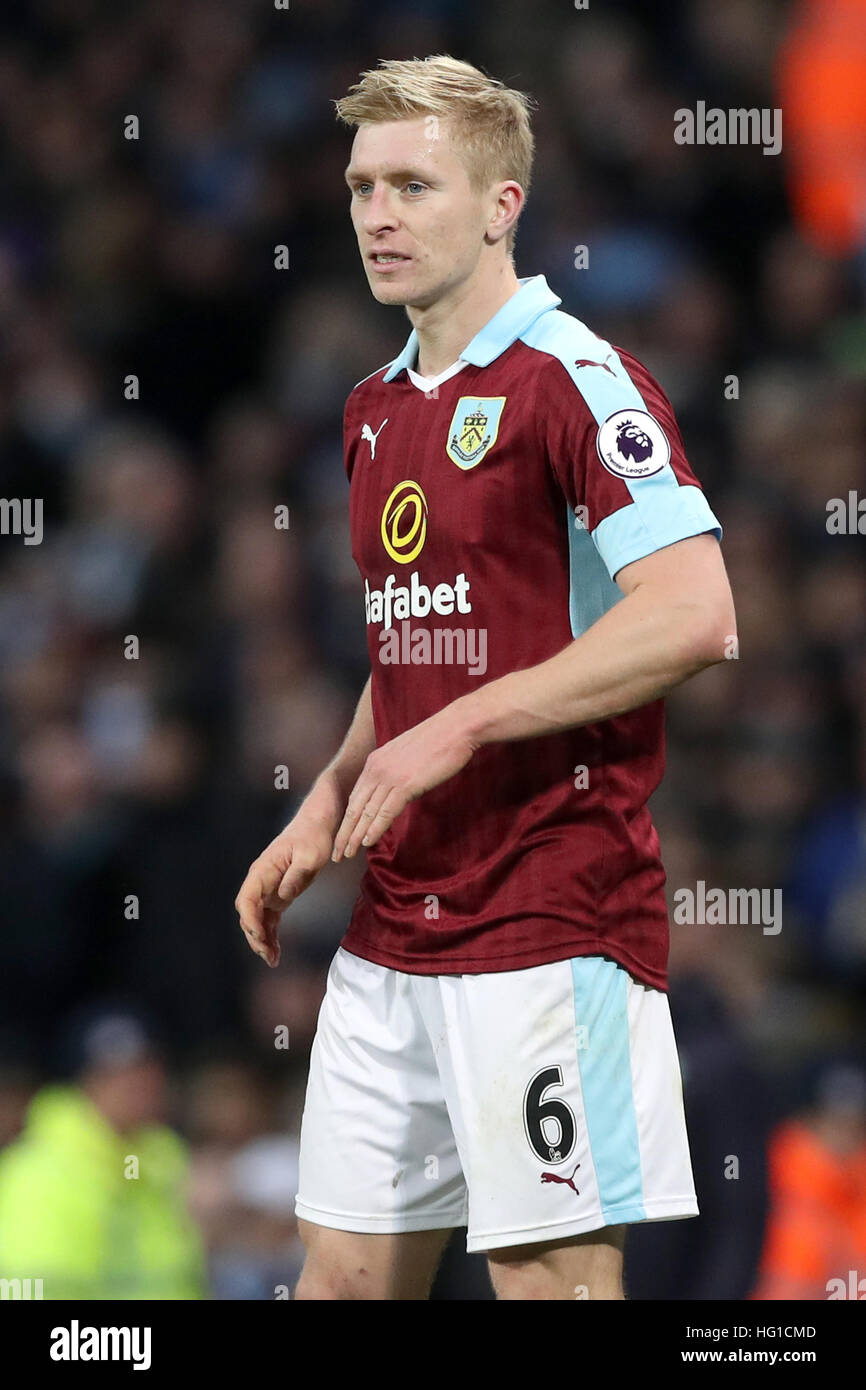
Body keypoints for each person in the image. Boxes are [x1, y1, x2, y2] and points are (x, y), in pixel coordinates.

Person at [235, 55, 736, 1301]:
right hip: (395, 924)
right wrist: (333, 789)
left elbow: (693, 612)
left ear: (501, 204)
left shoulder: (574, 379)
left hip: (550, 907)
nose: (376, 216)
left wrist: (453, 732)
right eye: (360, 188)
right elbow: (418, 645)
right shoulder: (370, 410)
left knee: (550, 1287)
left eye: (413, 184)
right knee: (341, 1283)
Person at [0, 1006, 206, 1299]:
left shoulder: (164, 1164)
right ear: (84, 1082)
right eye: (115, 1074)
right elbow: (35, 1290)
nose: (139, 1083)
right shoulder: (37, 1172)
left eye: (147, 1067)